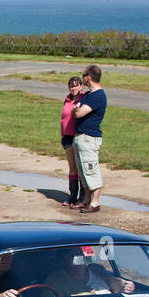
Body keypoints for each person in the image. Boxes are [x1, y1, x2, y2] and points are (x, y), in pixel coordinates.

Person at [71, 64, 107, 213]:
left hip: (89, 137)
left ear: (89, 77)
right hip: (79, 136)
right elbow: (76, 109)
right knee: (83, 170)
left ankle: (95, 202)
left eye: (83, 75)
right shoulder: (87, 95)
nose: (82, 77)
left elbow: (78, 113)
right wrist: (77, 109)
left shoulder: (98, 96)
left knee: (91, 169)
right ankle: (86, 199)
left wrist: (77, 109)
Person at [44, 246, 136, 297]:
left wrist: (125, 287)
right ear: (64, 259)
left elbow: (114, 283)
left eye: (82, 255)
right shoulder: (54, 281)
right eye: (74, 256)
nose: (80, 259)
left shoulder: (97, 269)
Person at [60, 75, 84, 206]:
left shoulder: (84, 98)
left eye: (75, 85)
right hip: (67, 136)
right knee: (72, 167)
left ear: (81, 86)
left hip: (78, 135)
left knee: (80, 167)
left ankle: (83, 197)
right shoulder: (67, 99)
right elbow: (64, 117)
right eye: (71, 85)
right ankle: (73, 196)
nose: (73, 88)